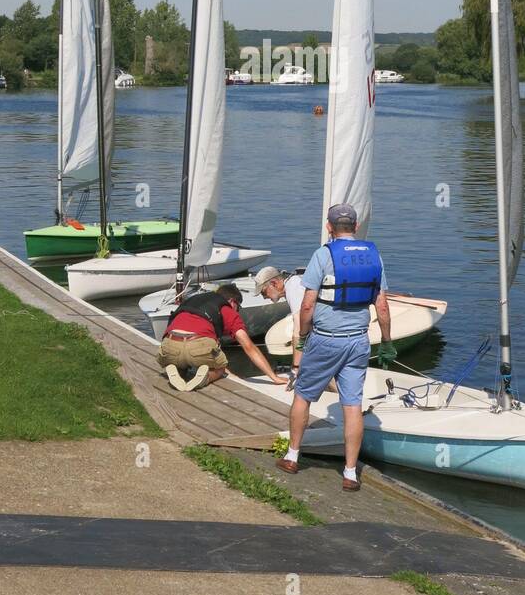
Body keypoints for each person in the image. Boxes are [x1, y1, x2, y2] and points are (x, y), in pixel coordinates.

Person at [276, 203, 391, 491]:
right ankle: (350, 473)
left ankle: (292, 457)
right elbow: (383, 306)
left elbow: (306, 304)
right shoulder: (373, 255)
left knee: (303, 395)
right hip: (358, 342)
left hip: (325, 339)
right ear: (355, 226)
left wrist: (302, 335)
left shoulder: (324, 254)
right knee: (352, 405)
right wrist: (387, 342)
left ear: (329, 227)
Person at [159, 282, 290, 392]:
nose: (237, 311)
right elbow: (248, 346)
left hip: (169, 345)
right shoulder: (226, 309)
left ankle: (176, 369)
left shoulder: (191, 300)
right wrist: (274, 377)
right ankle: (206, 378)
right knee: (221, 367)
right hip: (196, 345)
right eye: (237, 307)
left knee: (182, 358)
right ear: (232, 302)